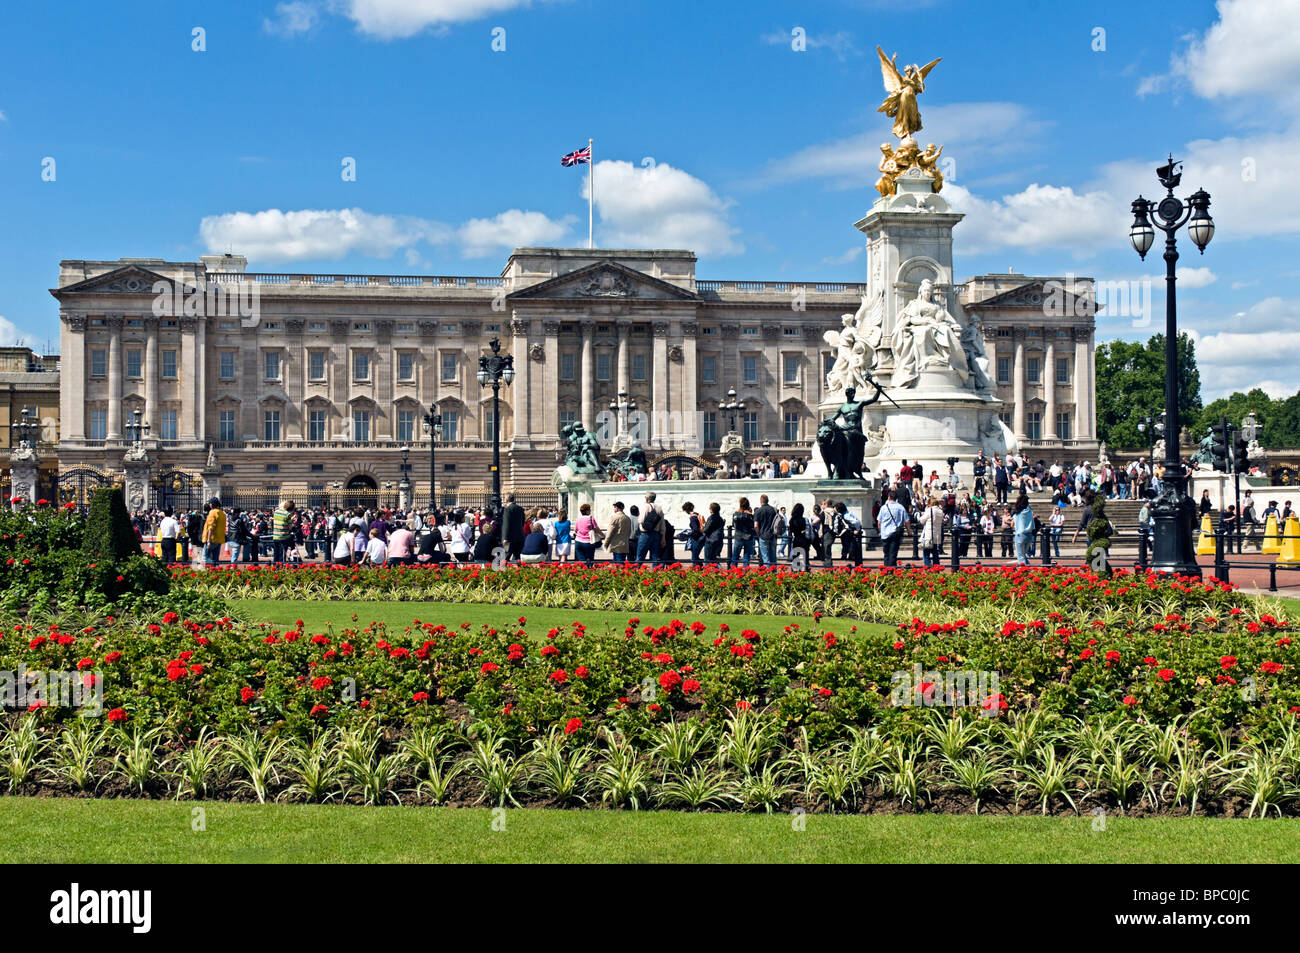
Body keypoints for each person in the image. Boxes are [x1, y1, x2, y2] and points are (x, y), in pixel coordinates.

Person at [876, 489, 908, 567]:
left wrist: (880, 531)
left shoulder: (883, 507)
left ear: (889, 497)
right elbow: (907, 521)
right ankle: (892, 570)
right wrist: (909, 531)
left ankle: (886, 570)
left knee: (886, 554)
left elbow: (879, 522)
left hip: (885, 533)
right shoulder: (901, 507)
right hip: (895, 533)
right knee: (893, 554)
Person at [636, 492, 664, 565]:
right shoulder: (659, 508)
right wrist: (663, 537)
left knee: (640, 556)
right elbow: (662, 525)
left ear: (647, 498)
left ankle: (635, 573)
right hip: (656, 534)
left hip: (645, 534)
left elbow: (640, 520)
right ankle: (655, 572)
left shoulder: (646, 506)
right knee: (655, 557)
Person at [918, 496, 945, 568]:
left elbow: (922, 520)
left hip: (929, 534)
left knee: (926, 554)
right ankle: (936, 569)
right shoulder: (940, 511)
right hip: (937, 535)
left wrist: (920, 516)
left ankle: (927, 569)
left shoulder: (930, 510)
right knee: (935, 553)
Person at [731, 498, 757, 567]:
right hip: (748, 537)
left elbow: (733, 525)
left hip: (738, 536)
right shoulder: (750, 516)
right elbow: (752, 526)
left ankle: (732, 572)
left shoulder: (735, 514)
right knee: (746, 556)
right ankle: (745, 572)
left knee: (735, 556)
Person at [754, 495, 779, 567]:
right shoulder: (773, 510)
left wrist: (758, 534)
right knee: (773, 557)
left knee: (765, 558)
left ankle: (768, 574)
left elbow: (755, 525)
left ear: (761, 501)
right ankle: (774, 573)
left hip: (763, 535)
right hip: (773, 535)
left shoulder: (758, 511)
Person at [201, 497, 227, 567]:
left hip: (211, 538)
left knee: (205, 558)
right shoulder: (222, 513)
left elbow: (211, 527)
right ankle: (215, 572)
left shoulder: (212, 512)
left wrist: (208, 540)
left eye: (210, 503)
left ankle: (205, 573)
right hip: (219, 539)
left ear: (212, 504)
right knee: (216, 559)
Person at [500, 495, 525, 563]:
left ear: (507, 500)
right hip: (520, 536)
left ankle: (502, 571)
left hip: (509, 538)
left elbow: (506, 524)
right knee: (517, 557)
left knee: (505, 557)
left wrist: (505, 538)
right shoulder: (520, 508)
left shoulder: (508, 509)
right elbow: (523, 522)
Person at [1013, 495, 1035, 565]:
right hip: (1029, 534)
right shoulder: (1030, 511)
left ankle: (1024, 571)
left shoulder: (1018, 512)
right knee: (1024, 556)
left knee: (1020, 556)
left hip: (1020, 534)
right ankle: (1027, 568)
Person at [787, 503, 811, 568]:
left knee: (796, 558)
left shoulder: (792, 520)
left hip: (796, 539)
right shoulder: (805, 520)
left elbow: (791, 530)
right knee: (805, 558)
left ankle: (796, 571)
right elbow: (808, 530)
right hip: (804, 540)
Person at [681, 502, 705, 566]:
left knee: (694, 558)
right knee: (696, 557)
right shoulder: (697, 515)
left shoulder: (692, 518)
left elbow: (695, 529)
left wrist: (688, 534)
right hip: (702, 537)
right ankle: (701, 568)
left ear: (686, 510)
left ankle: (698, 571)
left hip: (697, 539)